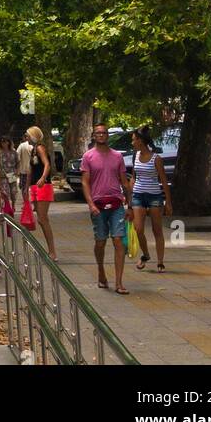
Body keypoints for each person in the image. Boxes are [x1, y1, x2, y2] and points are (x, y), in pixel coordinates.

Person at [80, 123, 133, 294]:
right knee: (100, 242)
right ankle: (101, 270)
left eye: (104, 133)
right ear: (93, 135)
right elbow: (85, 182)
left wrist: (130, 205)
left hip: (116, 203)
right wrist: (90, 204)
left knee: (118, 241)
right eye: (98, 133)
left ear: (107, 135)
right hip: (98, 204)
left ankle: (118, 282)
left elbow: (124, 182)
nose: (101, 135)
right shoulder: (88, 157)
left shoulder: (117, 156)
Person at [129, 126, 172, 272]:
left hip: (154, 196)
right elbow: (133, 178)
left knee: (156, 229)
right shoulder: (135, 156)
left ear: (140, 141)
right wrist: (129, 199)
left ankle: (160, 261)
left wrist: (168, 203)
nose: (132, 143)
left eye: (134, 140)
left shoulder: (156, 159)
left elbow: (164, 181)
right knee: (138, 228)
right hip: (138, 195)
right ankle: (146, 254)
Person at [26, 126, 57, 260]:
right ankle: (50, 250)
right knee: (41, 219)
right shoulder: (33, 150)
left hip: (42, 186)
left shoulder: (40, 148)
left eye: (27, 135)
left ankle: (52, 251)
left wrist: (43, 178)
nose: (26, 137)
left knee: (43, 219)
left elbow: (47, 164)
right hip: (35, 186)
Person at [0, 136, 19, 215]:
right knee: (5, 192)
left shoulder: (14, 152)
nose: (4, 143)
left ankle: (13, 205)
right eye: (2, 142)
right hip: (3, 175)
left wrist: (17, 172)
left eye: (6, 141)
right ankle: (7, 206)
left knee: (13, 192)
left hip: (12, 174)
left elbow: (18, 162)